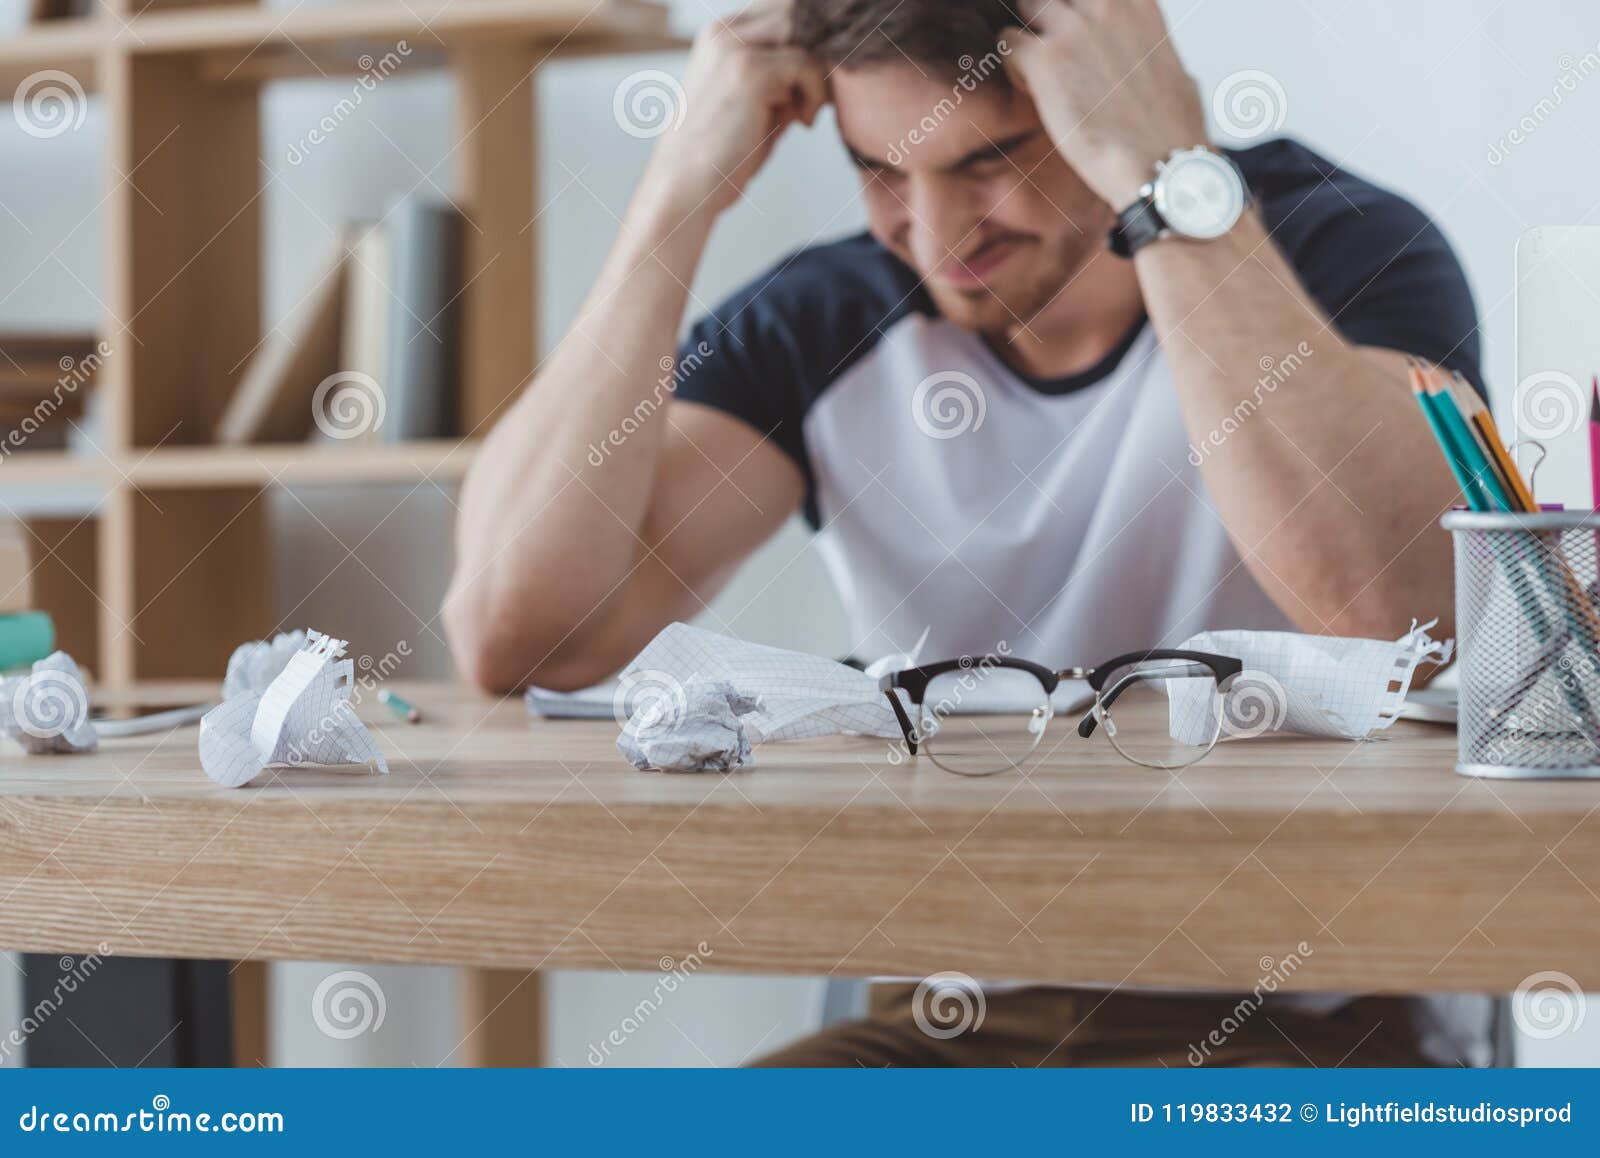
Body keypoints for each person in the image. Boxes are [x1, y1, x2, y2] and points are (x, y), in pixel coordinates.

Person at [444, 0, 1493, 1066]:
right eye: (882, 172)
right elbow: (517, 633)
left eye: (991, 160)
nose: (937, 239)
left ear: (1107, 84)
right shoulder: (824, 318)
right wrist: (677, 194)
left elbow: (1405, 612)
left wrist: (1162, 169)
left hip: (1309, 1023)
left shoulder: (1327, 250)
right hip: (951, 1017)